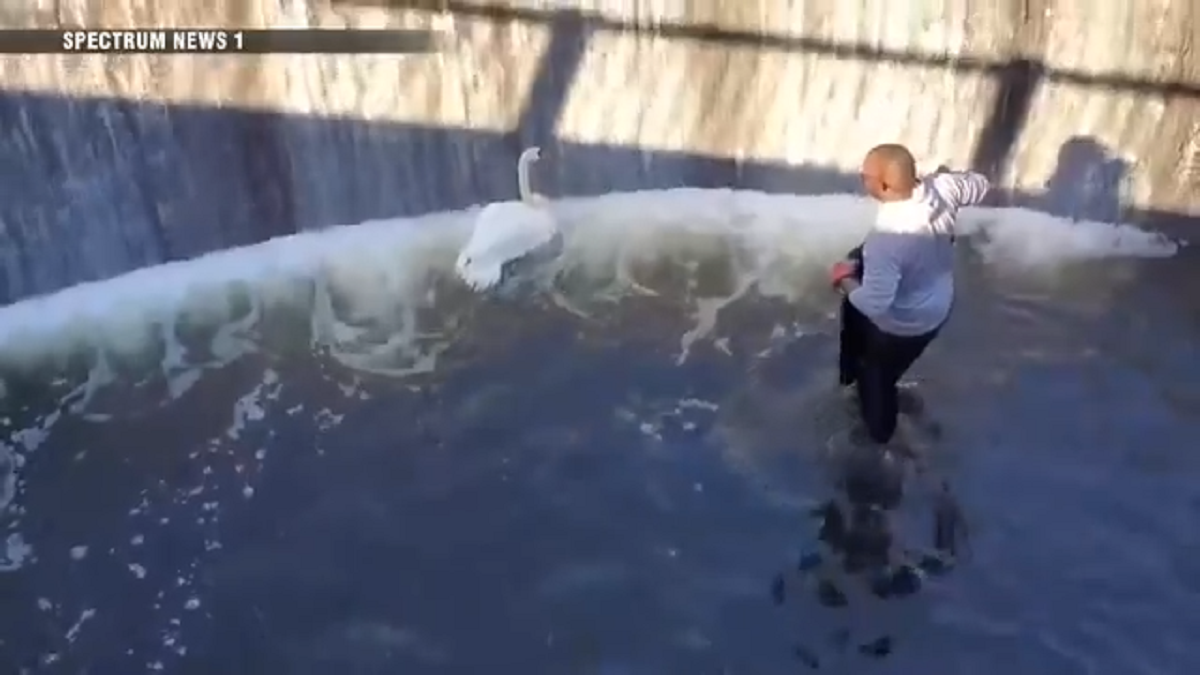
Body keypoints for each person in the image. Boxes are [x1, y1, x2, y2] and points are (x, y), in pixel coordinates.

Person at [829, 144, 990, 447]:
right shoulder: (945, 187)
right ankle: (850, 373)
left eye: (866, 176)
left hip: (905, 325)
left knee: (875, 376)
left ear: (885, 185)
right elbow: (981, 185)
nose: (862, 180)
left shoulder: (888, 238)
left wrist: (844, 279)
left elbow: (876, 304)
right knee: (858, 264)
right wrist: (949, 180)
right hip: (936, 298)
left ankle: (880, 445)